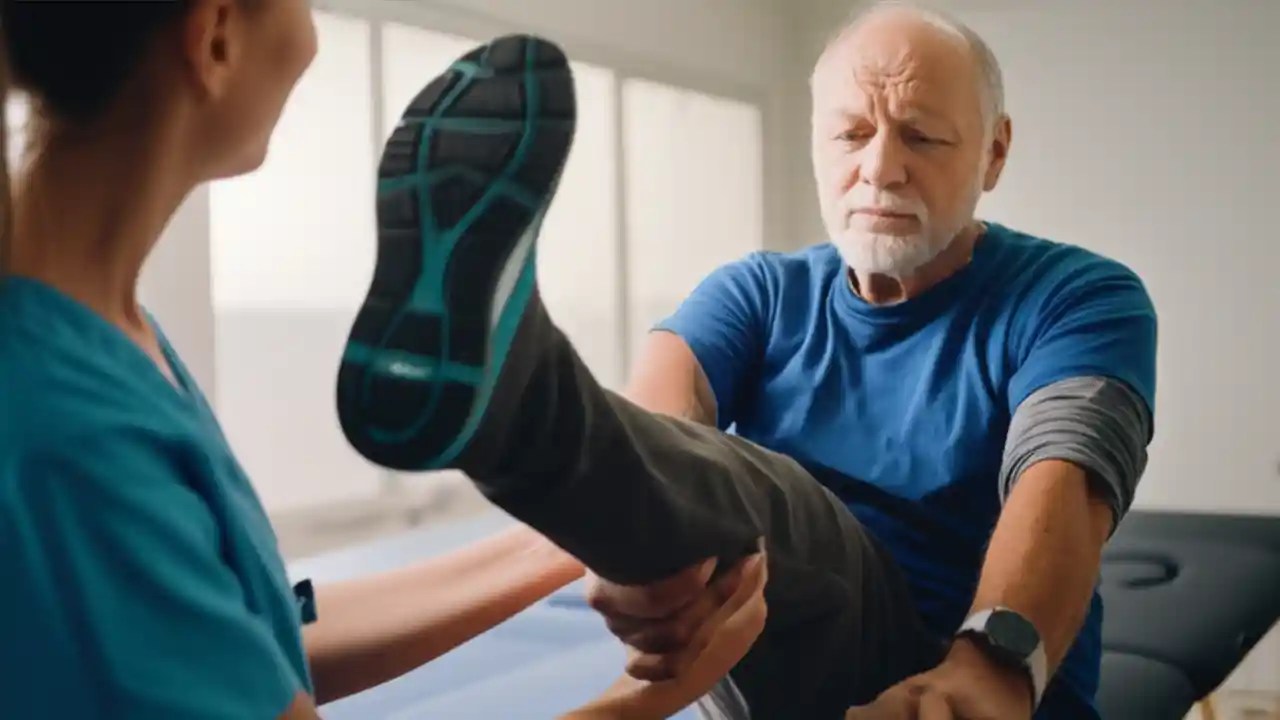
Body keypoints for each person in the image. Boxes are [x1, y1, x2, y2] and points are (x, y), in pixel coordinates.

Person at [335, 2, 1157, 720]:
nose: (879, 168)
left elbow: (1066, 482)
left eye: (923, 136)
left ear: (994, 152)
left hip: (967, 680)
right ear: (814, 140)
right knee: (716, 496)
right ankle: (523, 403)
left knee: (778, 501)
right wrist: (644, 558)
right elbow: (659, 424)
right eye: (851, 134)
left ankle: (526, 408)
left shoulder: (1078, 296)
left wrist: (993, 670)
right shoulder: (757, 292)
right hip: (762, 640)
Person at [0, 3, 767, 719]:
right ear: (216, 40)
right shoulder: (67, 432)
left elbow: (256, 630)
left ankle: (553, 422)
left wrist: (569, 539)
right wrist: (641, 701)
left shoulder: (103, 332)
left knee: (710, 490)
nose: (312, 36)